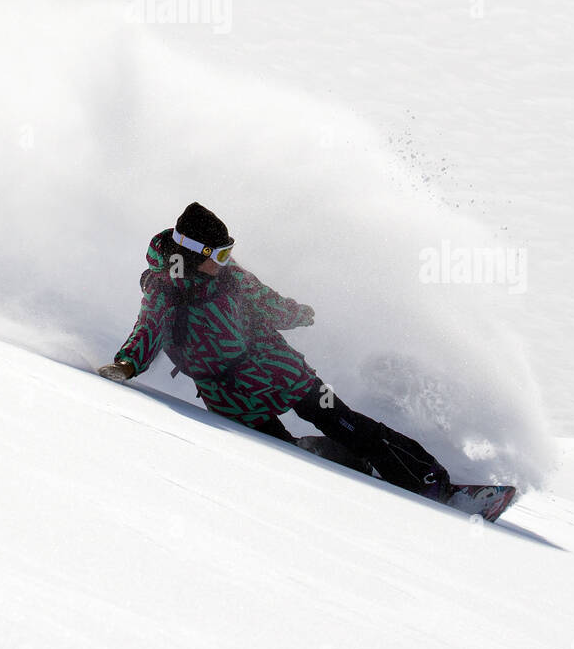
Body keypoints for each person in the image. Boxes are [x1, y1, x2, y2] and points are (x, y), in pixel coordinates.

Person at [98, 201, 452, 501]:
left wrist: (297, 313)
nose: (225, 260)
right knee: (286, 456)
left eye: (228, 252)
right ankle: (345, 465)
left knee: (341, 418)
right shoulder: (166, 290)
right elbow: (148, 328)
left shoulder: (228, 274)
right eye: (219, 253)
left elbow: (263, 301)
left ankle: (431, 481)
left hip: (278, 368)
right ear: (194, 252)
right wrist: (126, 364)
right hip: (228, 394)